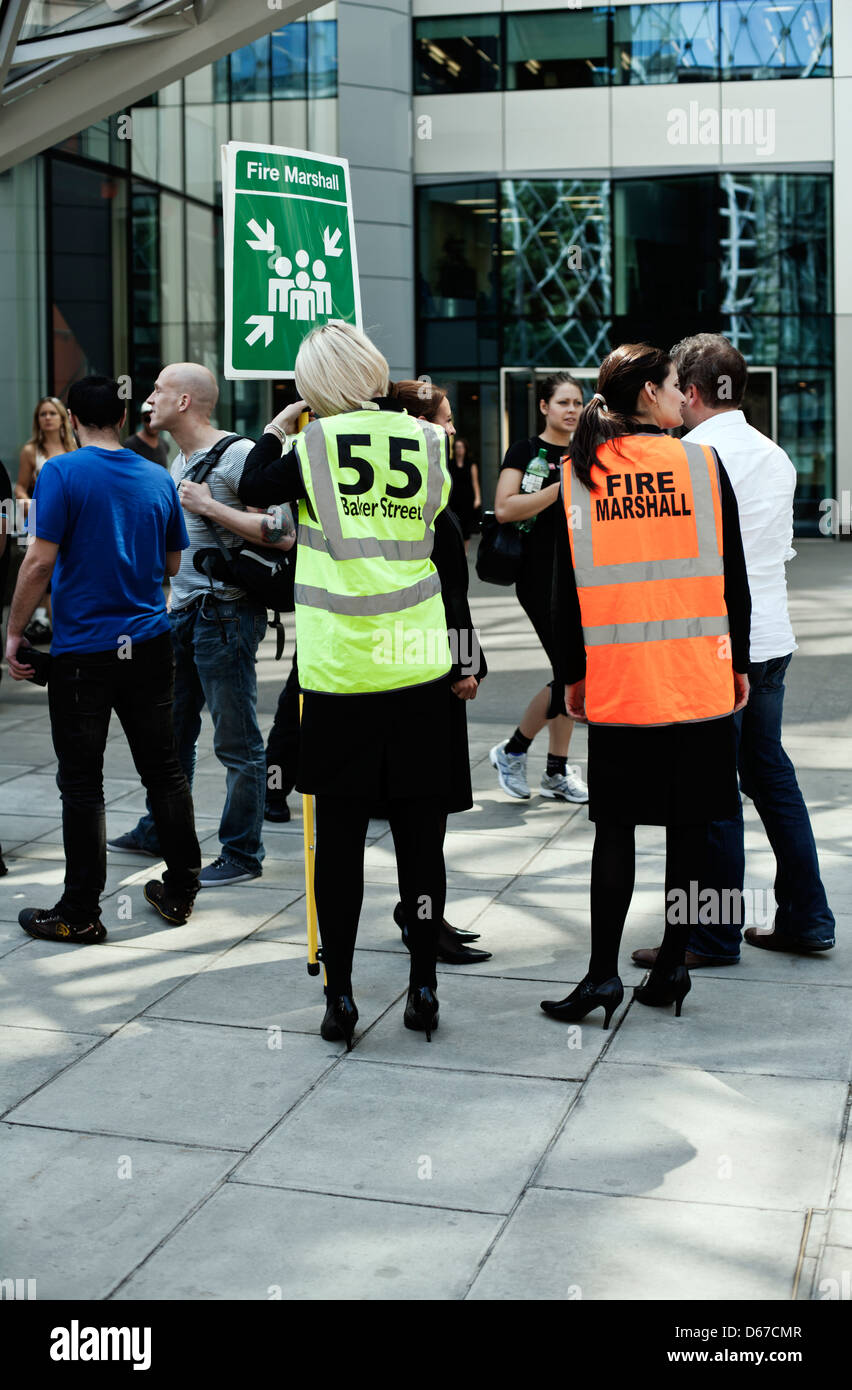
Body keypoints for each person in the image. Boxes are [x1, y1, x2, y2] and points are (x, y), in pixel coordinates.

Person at [237, 322, 487, 1049]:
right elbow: (447, 543)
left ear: (318, 385)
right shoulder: (431, 442)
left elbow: (255, 491)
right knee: (421, 835)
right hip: (418, 662)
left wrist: (278, 425)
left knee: (340, 842)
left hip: (342, 670)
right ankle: (423, 984)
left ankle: (340, 997)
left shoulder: (312, 447)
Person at [541, 343, 751, 1026]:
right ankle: (670, 970)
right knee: (691, 830)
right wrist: (739, 662)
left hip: (620, 680)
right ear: (653, 396)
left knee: (616, 831)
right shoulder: (701, 461)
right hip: (697, 678)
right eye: (670, 387)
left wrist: (571, 673)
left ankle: (602, 975)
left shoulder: (581, 468)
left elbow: (562, 589)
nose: (678, 398)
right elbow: (733, 575)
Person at [629, 333, 834, 966]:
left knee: (712, 789)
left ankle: (711, 935)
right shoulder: (778, 458)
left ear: (688, 392)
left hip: (714, 647)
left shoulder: (685, 459)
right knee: (770, 778)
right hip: (773, 637)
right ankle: (807, 917)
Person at [5, 376, 201, 941]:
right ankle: (182, 888)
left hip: (85, 650)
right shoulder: (155, 474)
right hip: (148, 643)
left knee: (82, 782)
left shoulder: (60, 472)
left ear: (71, 417)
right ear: (121, 415)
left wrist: (14, 633)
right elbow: (169, 566)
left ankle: (80, 912)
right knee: (163, 769)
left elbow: (39, 562)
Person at [107, 362, 293, 887]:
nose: (148, 400)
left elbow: (283, 532)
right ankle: (158, 832)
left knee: (237, 743)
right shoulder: (178, 459)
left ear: (184, 401)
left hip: (227, 614)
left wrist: (212, 507)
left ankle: (241, 852)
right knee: (170, 737)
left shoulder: (236, 455)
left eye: (159, 391)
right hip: (183, 613)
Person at [491, 372, 588, 804]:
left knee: (568, 674)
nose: (572, 410)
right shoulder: (526, 451)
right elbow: (504, 508)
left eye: (578, 403)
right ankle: (512, 751)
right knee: (572, 673)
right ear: (545, 407)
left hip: (582, 576)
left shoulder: (590, 452)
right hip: (538, 578)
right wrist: (558, 489)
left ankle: (555, 769)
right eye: (564, 402)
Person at [15, 396, 77, 643]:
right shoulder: (31, 451)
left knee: (64, 570)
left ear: (63, 418)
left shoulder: (74, 448)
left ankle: (58, 626)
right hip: (40, 517)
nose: (48, 418)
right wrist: (25, 502)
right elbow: (20, 486)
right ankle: (55, 630)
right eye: (43, 414)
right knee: (44, 569)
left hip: (69, 518)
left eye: (52, 413)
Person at [449, 436, 480, 551]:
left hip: (467, 498)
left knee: (466, 526)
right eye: (457, 447)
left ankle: (465, 551)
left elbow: (475, 482)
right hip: (454, 498)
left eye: (461, 447)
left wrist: (477, 498)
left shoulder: (471, 464)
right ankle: (456, 548)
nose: (459, 449)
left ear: (465, 449)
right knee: (455, 524)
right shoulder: (450, 463)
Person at [124, 401, 170, 468]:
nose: (152, 423)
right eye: (148, 419)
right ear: (142, 419)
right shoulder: (130, 445)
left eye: (155, 419)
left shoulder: (164, 445)